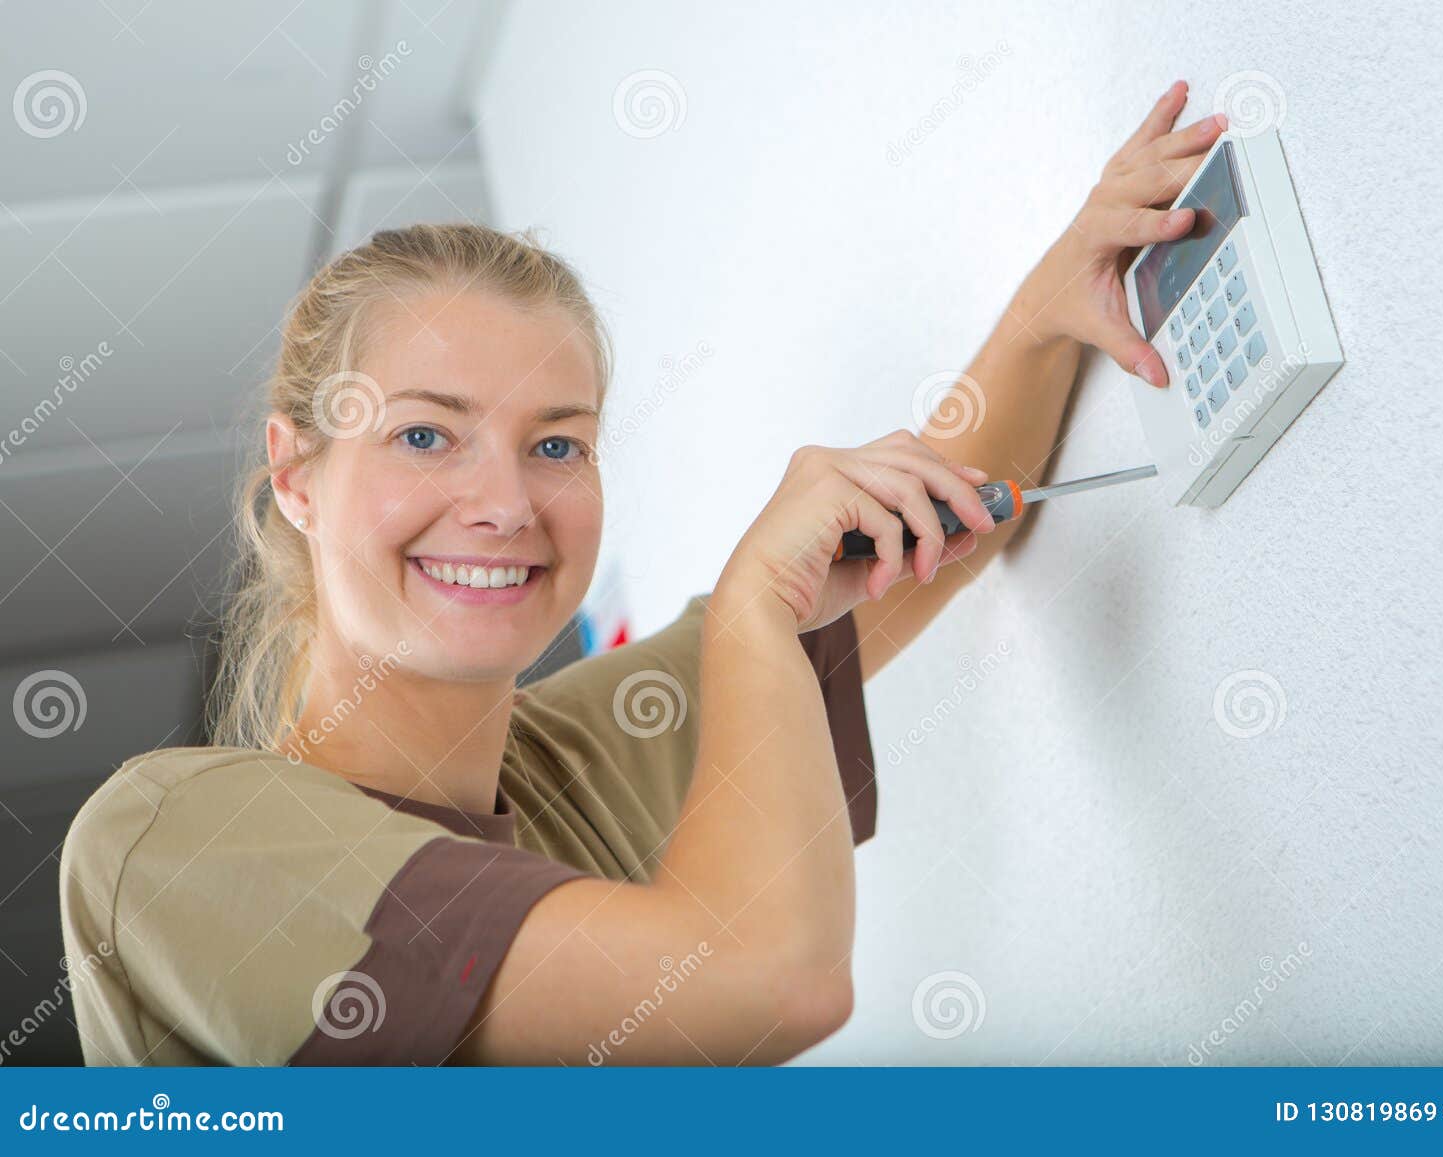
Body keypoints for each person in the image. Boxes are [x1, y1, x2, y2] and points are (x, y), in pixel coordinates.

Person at [59, 84, 1223, 1065]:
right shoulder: (175, 839)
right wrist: (759, 610)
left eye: (556, 443)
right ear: (296, 472)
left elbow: (925, 538)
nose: (507, 502)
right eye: (424, 434)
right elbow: (774, 983)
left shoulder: (580, 754)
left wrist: (1043, 312)